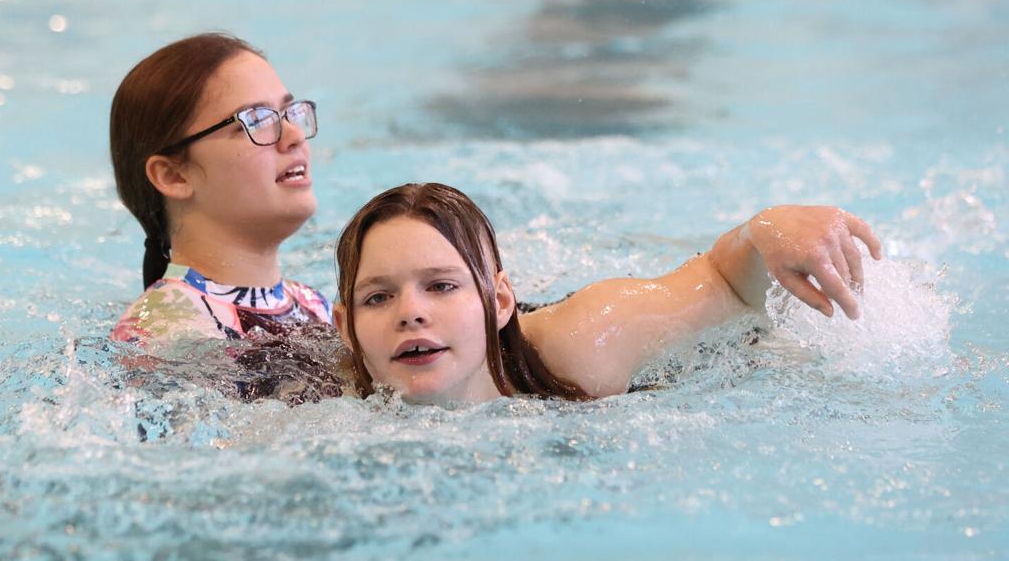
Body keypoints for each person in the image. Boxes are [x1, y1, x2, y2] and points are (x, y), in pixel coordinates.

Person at [333, 183, 882, 403]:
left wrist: (770, 228)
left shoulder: (585, 342)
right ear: (345, 326)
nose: (411, 313)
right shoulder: (318, 399)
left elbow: (723, 280)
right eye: (377, 298)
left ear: (499, 302)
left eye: (441, 286)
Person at [109, 33, 332, 351]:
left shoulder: (313, 306)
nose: (295, 135)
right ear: (173, 175)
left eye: (288, 113)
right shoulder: (165, 334)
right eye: (256, 120)